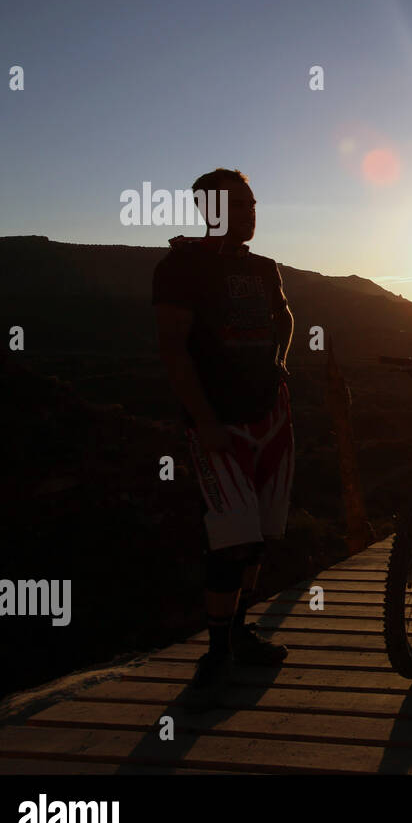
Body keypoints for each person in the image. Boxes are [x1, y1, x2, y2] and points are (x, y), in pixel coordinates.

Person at [152, 168, 295, 706]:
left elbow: (284, 317)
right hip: (219, 422)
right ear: (210, 210)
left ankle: (238, 631)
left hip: (272, 418)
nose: (251, 211)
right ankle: (216, 650)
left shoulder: (263, 267)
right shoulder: (179, 267)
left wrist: (281, 366)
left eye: (253, 201)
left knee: (258, 535)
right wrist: (204, 420)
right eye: (238, 203)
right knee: (229, 538)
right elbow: (173, 348)